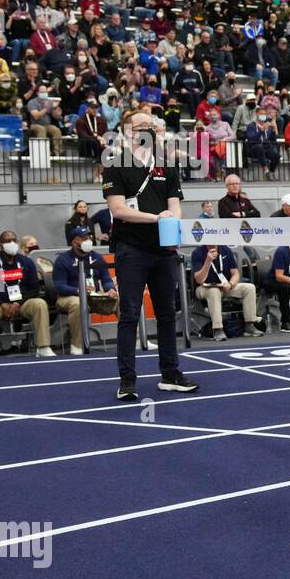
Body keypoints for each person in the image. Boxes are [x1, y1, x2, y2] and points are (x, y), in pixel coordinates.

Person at [101, 115, 199, 401]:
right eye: (145, 127)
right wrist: (157, 218)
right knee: (129, 314)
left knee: (167, 312)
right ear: (130, 132)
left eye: (154, 127)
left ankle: (170, 373)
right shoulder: (116, 165)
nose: (152, 131)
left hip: (163, 251)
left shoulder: (166, 165)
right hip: (131, 248)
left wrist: (170, 222)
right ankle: (127, 380)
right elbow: (118, 210)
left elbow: (175, 207)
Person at [0, 229, 55, 361]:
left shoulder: (26, 262)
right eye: (7, 241)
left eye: (13, 240)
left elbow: (34, 288)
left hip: (21, 303)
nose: (11, 243)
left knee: (40, 304)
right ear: (0, 244)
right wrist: (2, 304)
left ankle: (43, 346)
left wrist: (18, 303)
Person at [52, 225, 118, 355]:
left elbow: (106, 279)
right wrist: (79, 290)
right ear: (73, 242)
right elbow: (60, 286)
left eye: (88, 237)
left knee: (120, 299)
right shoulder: (63, 259)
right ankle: (77, 345)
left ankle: (137, 339)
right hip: (69, 296)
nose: (87, 240)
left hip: (94, 295)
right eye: (82, 238)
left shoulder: (97, 257)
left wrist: (110, 289)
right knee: (78, 304)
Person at [190, 242, 263, 340]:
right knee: (214, 291)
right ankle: (218, 329)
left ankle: (249, 325)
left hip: (224, 286)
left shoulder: (225, 250)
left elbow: (235, 274)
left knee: (249, 288)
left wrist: (231, 284)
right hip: (204, 287)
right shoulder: (198, 252)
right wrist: (208, 261)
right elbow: (199, 279)